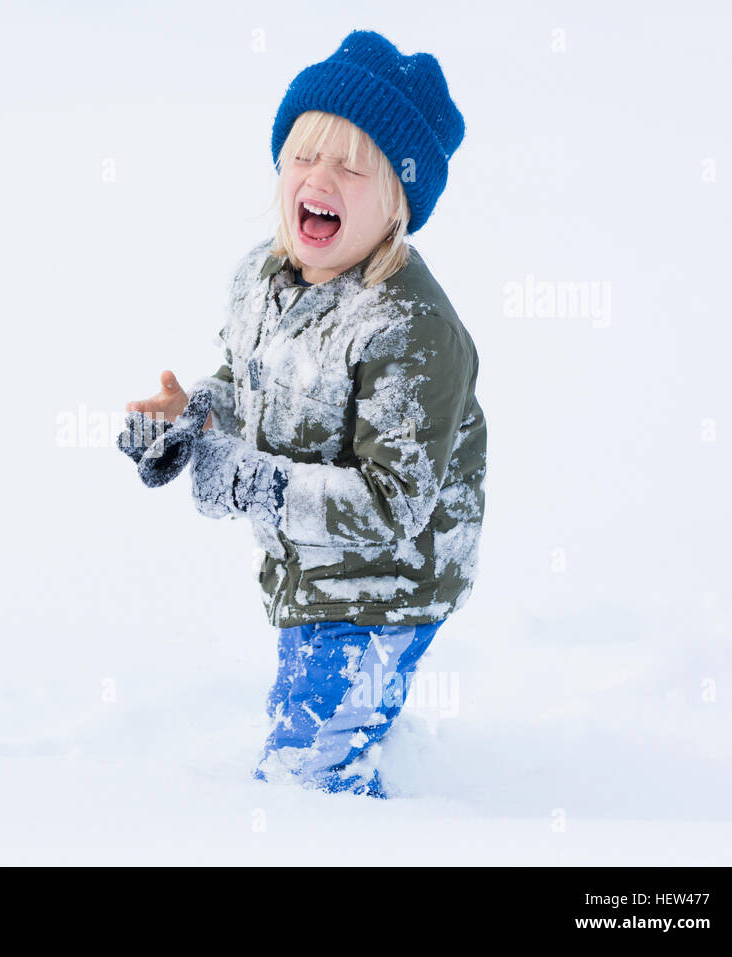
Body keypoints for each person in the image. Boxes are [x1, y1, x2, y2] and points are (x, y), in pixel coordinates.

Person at [122, 30, 487, 798]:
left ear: (395, 207)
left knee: (304, 779)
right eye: (303, 155)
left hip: (387, 588)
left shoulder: (412, 331)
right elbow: (247, 382)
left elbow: (394, 503)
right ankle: (377, 739)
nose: (320, 176)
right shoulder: (262, 277)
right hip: (311, 574)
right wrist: (193, 417)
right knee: (319, 716)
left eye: (352, 166)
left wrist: (252, 483)